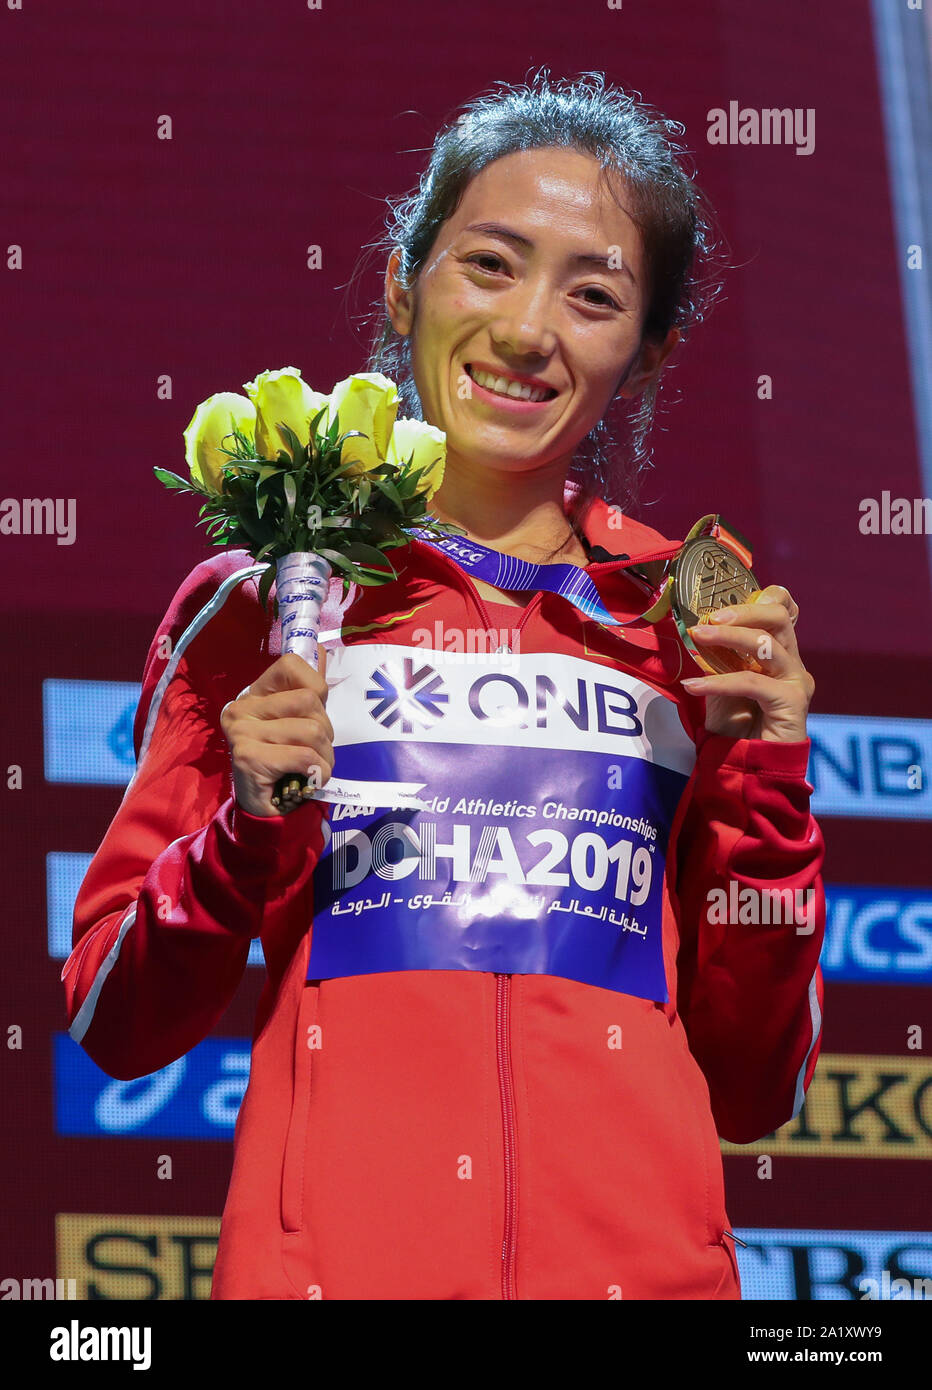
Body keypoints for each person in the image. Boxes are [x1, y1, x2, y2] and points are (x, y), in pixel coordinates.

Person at [63, 71, 824, 1300]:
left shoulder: (694, 616)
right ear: (399, 281)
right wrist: (243, 836)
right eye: (488, 264)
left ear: (645, 350)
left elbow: (757, 1089)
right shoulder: (271, 596)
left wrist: (766, 780)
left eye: (592, 296)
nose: (529, 329)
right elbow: (114, 1021)